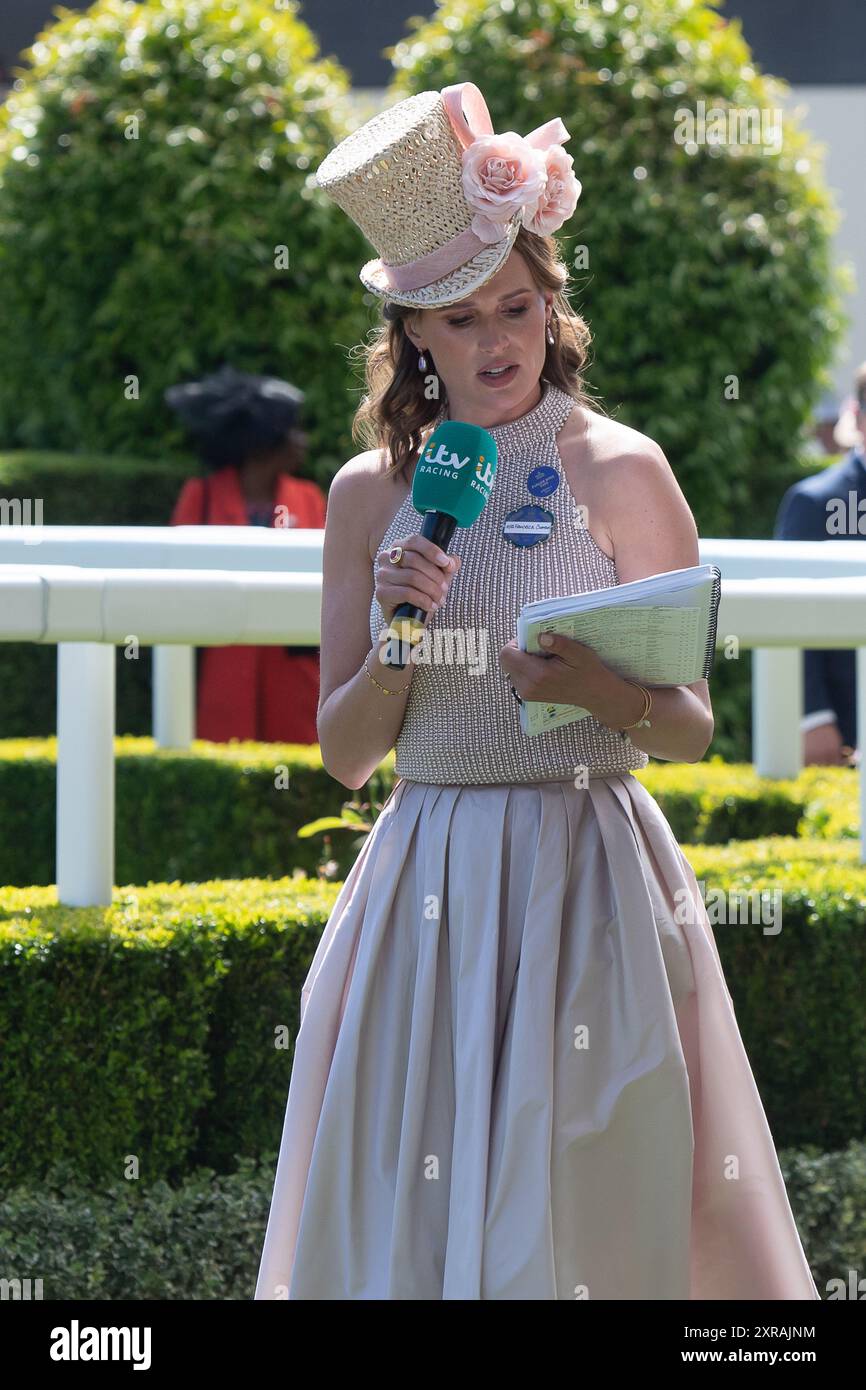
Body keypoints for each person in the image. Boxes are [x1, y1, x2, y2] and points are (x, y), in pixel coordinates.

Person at [255, 82, 820, 1300]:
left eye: (516, 306)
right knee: (412, 1214)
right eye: (459, 321)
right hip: (428, 877)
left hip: (591, 872)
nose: (495, 339)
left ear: (548, 302)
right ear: (414, 334)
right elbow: (345, 758)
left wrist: (598, 685)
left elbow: (688, 727)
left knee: (591, 1216)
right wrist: (399, 627)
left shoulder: (620, 468)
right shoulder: (364, 492)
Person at [166, 365, 326, 744]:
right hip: (224, 653)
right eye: (293, 432)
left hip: (295, 662)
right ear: (263, 444)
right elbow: (173, 581)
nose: (302, 441)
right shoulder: (201, 496)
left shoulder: (309, 497)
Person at [773, 360, 866, 767]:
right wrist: (812, 715)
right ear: (859, 419)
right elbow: (785, 611)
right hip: (846, 728)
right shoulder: (814, 502)